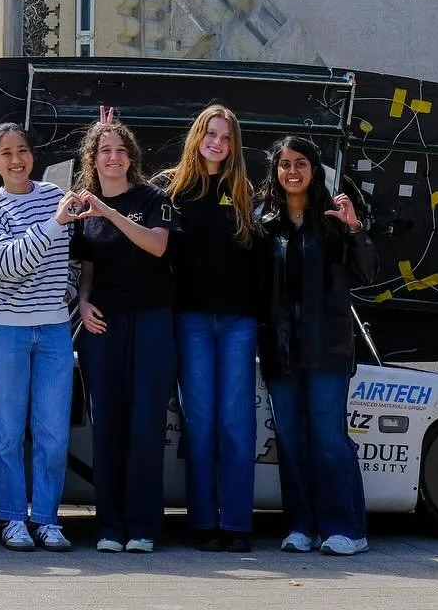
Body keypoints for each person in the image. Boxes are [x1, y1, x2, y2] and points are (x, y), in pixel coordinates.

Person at [257, 134, 377, 557]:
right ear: (275, 171)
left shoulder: (333, 219)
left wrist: (354, 228)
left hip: (327, 350)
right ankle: (301, 526)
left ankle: (346, 528)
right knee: (290, 440)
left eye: (301, 163)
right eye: (285, 163)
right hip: (280, 350)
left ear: (314, 170)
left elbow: (366, 273)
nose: (292, 171)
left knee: (328, 438)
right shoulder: (263, 224)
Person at [72, 107, 178, 554]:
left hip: (152, 321)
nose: (113, 158)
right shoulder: (83, 207)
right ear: (92, 159)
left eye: (120, 150)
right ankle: (109, 527)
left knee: (145, 425)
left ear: (131, 157)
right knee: (108, 428)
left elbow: (157, 245)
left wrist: (110, 212)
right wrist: (82, 302)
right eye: (104, 150)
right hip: (103, 328)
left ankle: (143, 527)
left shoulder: (154, 199)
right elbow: (88, 268)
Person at [0, 120, 82, 553]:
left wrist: (71, 285)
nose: (16, 160)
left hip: (55, 328)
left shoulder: (55, 196)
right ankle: (13, 519)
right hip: (4, 329)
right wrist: (55, 225)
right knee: (7, 430)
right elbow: (9, 266)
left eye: (22, 150)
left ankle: (46, 518)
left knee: (53, 431)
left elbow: (74, 251)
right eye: (6, 153)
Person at [162, 103, 259, 552]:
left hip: (239, 320)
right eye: (210, 133)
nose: (217, 142)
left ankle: (237, 523)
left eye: (225, 136)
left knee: (235, 422)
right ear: (197, 135)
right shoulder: (171, 189)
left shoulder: (244, 191)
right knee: (199, 421)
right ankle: (202, 521)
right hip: (192, 319)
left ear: (233, 145)